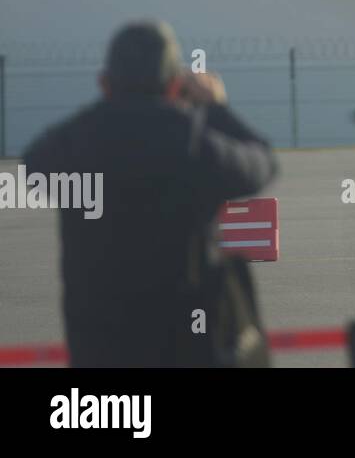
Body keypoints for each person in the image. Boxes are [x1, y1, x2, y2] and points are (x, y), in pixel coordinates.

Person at [23, 20, 277, 367]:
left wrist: (107, 109)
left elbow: (35, 162)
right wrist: (215, 108)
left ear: (104, 83)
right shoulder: (192, 144)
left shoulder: (75, 144)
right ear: (174, 86)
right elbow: (262, 163)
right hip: (182, 350)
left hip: (100, 356)